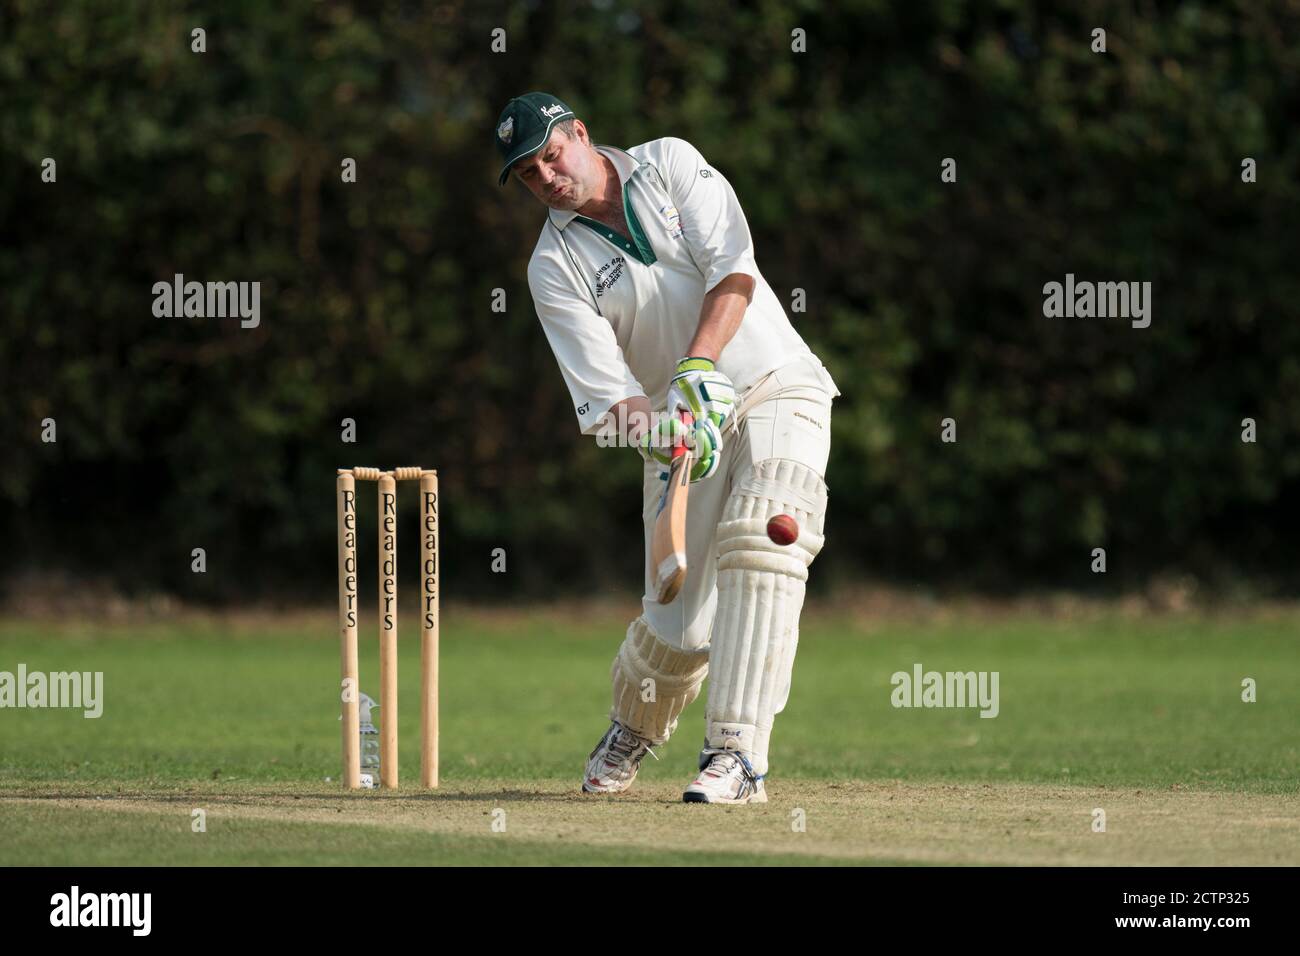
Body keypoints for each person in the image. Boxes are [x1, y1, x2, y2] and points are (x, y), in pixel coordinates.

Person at [496, 92, 839, 804]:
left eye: (552, 155)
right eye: (530, 174)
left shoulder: (670, 164)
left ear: (580, 134)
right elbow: (605, 401)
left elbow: (734, 271)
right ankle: (633, 726)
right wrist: (663, 428)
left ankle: (736, 756)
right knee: (677, 629)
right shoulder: (552, 268)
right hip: (680, 435)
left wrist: (697, 368)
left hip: (777, 382)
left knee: (764, 539)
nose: (547, 177)